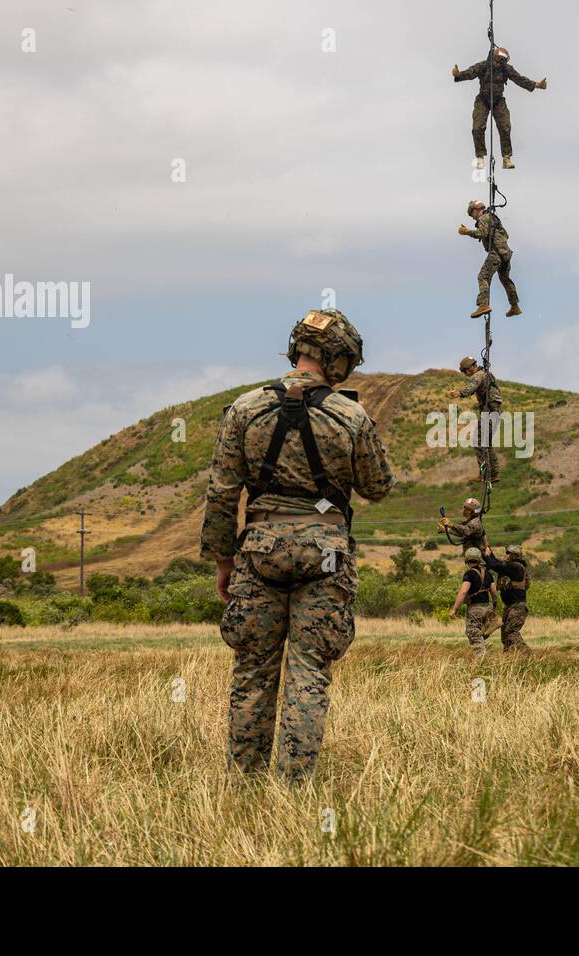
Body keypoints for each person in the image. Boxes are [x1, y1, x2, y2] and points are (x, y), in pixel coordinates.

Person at [200, 308, 395, 780]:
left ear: (296, 349)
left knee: (252, 673)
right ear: (336, 360)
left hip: (259, 551)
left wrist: (223, 561)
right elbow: (378, 486)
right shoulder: (350, 415)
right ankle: (293, 789)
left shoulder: (244, 410)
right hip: (325, 554)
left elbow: (222, 492)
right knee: (309, 673)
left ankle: (243, 784)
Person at [451, 46, 547, 168]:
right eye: (496, 61)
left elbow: (519, 79)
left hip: (498, 101)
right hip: (483, 100)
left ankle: (506, 158)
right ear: (493, 58)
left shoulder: (506, 69)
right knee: (477, 128)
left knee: (505, 126)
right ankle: (480, 157)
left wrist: (537, 85)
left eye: (501, 62)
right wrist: (458, 74)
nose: (498, 64)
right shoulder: (483, 66)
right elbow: (470, 73)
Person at [458, 200, 520, 318]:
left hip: (496, 253)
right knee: (505, 279)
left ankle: (483, 304)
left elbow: (482, 233)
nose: (473, 217)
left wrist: (467, 232)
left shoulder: (484, 218)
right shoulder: (491, 217)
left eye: (472, 214)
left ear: (476, 210)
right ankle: (514, 306)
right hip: (505, 253)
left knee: (483, 276)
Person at [456, 355, 503, 482]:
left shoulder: (478, 375)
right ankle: (494, 473)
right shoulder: (486, 373)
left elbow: (471, 387)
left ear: (471, 368)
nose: (465, 374)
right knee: (486, 443)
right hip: (495, 412)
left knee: (478, 442)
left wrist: (459, 393)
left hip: (489, 412)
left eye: (465, 371)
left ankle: (485, 474)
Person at [450, 547, 499, 658]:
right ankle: (486, 655)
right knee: (480, 634)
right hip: (488, 607)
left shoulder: (469, 574)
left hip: (475, 609)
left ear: (467, 559)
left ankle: (482, 662)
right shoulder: (488, 574)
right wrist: (494, 607)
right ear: (479, 559)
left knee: (473, 634)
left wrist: (454, 609)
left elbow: (463, 592)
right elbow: (494, 593)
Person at [483, 544, 530, 653]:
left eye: (508, 553)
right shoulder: (510, 567)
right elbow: (496, 563)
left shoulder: (516, 567)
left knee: (511, 632)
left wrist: (487, 555)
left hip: (517, 607)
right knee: (505, 636)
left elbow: (495, 565)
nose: (505, 555)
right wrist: (488, 550)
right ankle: (508, 659)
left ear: (514, 556)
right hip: (510, 607)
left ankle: (528, 655)